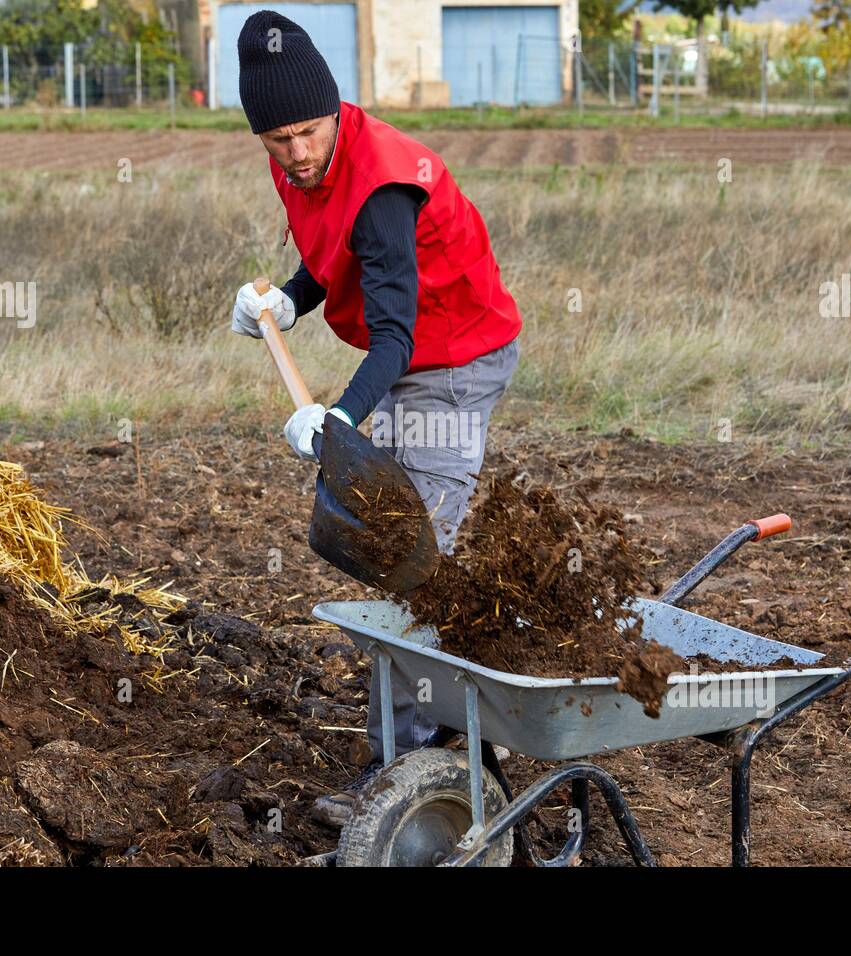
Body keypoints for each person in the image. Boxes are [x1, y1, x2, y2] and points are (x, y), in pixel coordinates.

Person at [230, 10, 521, 826]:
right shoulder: (301, 161)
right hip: (408, 359)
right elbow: (333, 249)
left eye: (308, 133)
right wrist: (292, 297)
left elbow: (397, 335)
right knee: (388, 547)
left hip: (453, 364)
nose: (296, 154)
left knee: (407, 558)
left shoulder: (385, 184)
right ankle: (449, 731)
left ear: (338, 111)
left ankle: (399, 783)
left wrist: (337, 421)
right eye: (277, 139)